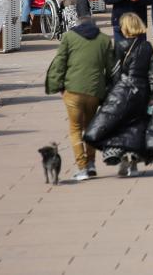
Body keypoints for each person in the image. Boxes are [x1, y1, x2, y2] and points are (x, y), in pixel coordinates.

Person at [83, 12, 153, 178]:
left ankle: (122, 158)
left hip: (123, 91)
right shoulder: (147, 46)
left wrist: (108, 93)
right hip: (142, 92)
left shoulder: (120, 45)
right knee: (137, 125)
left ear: (126, 27)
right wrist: (152, 94)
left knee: (117, 126)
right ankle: (133, 162)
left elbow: (115, 72)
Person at [44, 15, 114, 181]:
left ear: (77, 25)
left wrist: (57, 85)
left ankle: (82, 168)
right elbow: (110, 68)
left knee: (75, 129)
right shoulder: (104, 40)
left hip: (73, 90)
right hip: (94, 91)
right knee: (90, 128)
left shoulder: (69, 37)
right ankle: (91, 164)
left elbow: (60, 62)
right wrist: (107, 90)